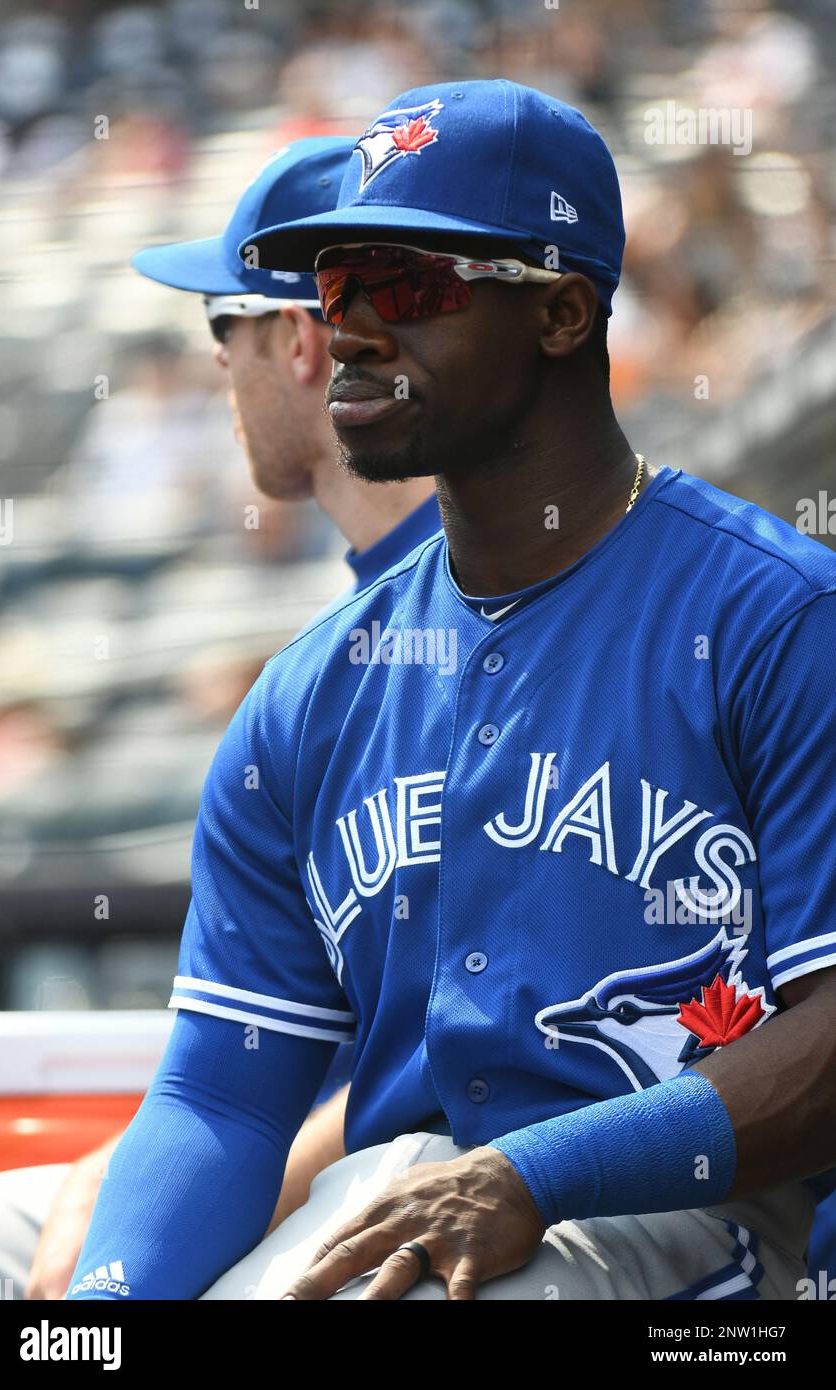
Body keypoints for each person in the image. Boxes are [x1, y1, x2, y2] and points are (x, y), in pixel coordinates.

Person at [65, 81, 836, 1302]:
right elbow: (221, 1087)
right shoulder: (312, 692)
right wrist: (103, 1315)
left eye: (411, 284)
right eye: (334, 287)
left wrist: (536, 1174)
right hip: (401, 1200)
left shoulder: (777, 618)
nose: (355, 330)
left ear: (561, 311)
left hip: (687, 1205)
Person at [0, 137, 440, 1303]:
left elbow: (477, 1053)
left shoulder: (485, 618)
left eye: (217, 330)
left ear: (298, 342)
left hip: (424, 1170)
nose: (215, 369)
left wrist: (170, 1201)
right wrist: (134, 1169)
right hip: (295, 1139)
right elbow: (237, 1070)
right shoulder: (354, 628)